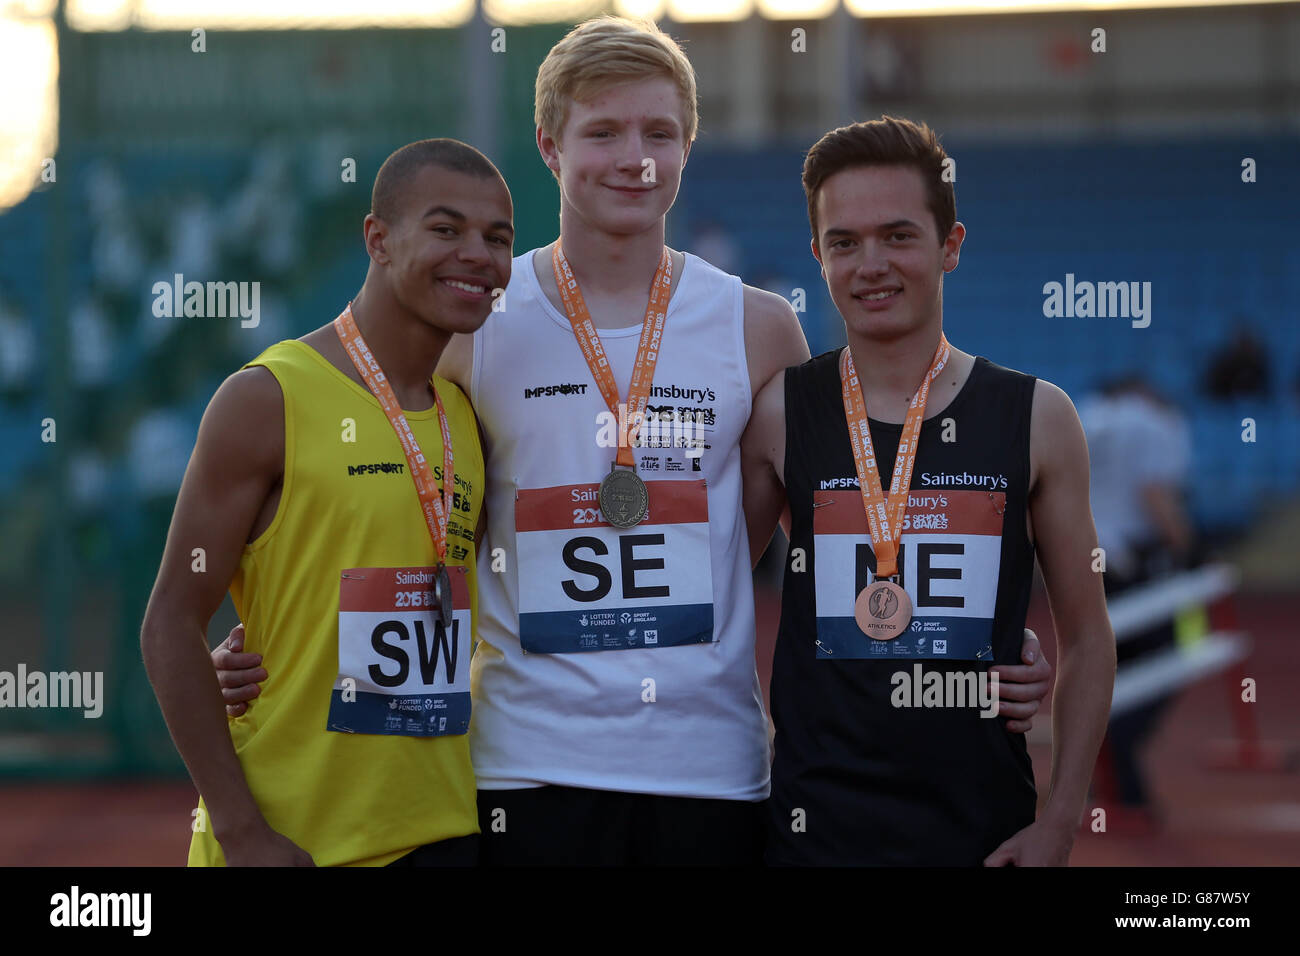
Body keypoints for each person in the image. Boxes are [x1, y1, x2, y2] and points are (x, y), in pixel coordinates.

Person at [215, 18, 1053, 866]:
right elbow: (408, 505)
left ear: (689, 146)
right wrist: (268, 640)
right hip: (524, 772)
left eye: (659, 132)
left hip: (710, 774)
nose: (634, 158)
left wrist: (977, 637)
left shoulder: (758, 328)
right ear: (550, 145)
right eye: (603, 132)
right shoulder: (476, 331)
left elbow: (841, 538)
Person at [742, 116, 1116, 866]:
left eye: (898, 235)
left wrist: (1060, 822)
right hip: (812, 837)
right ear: (819, 256)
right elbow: (715, 597)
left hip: (982, 836)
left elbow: (1089, 635)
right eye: (844, 243)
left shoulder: (1037, 416)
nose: (870, 263)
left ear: (950, 247)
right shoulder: (779, 412)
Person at [140, 139, 514, 866]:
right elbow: (169, 623)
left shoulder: (464, 418)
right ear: (377, 239)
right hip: (290, 845)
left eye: (497, 239)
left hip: (442, 834)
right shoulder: (267, 399)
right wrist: (244, 834)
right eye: (445, 230)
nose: (477, 254)